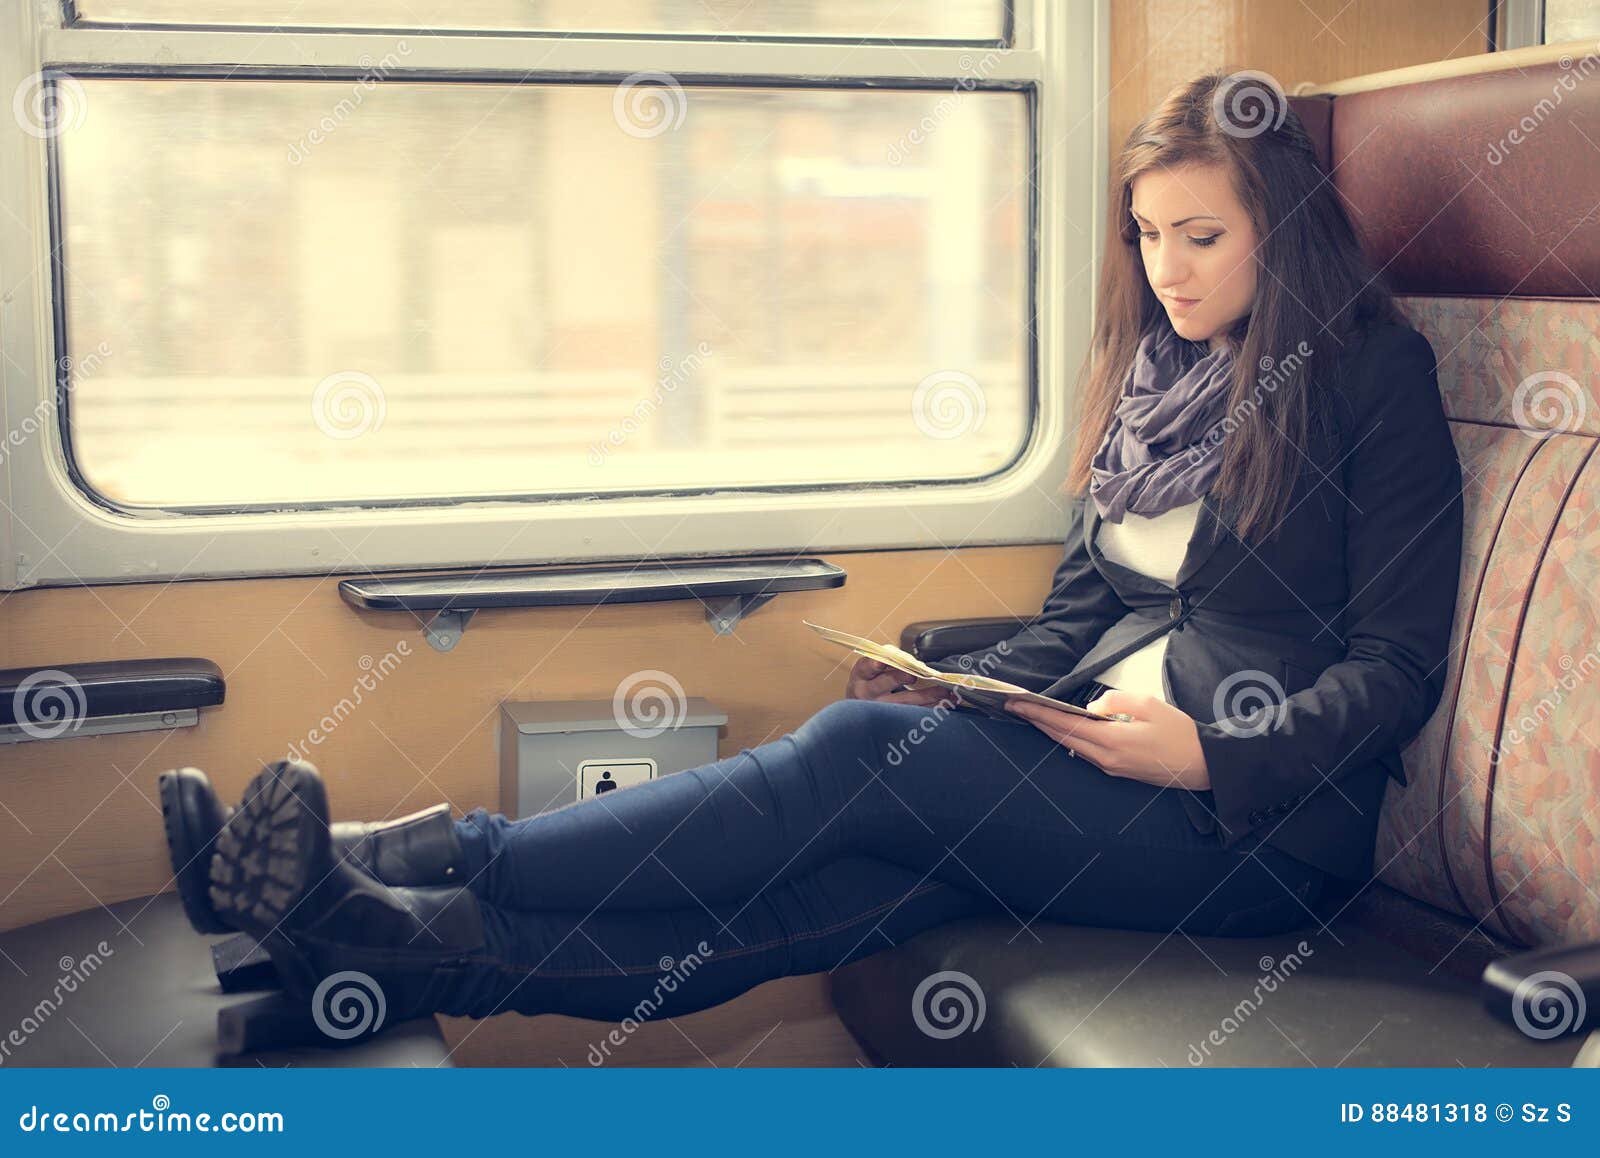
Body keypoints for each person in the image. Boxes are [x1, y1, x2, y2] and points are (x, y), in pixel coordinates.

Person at [162, 70, 1463, 1038]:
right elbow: (1079, 615)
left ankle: (412, 859)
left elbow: (1397, 664)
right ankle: (364, 947)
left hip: (1254, 829)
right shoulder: (1153, 381)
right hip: (1100, 755)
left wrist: (1214, 749)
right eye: (1145, 234)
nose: (1165, 270)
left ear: (1278, 229)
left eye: (1202, 238)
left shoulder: (1368, 375)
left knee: (847, 758)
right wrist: (963, 686)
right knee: (828, 898)